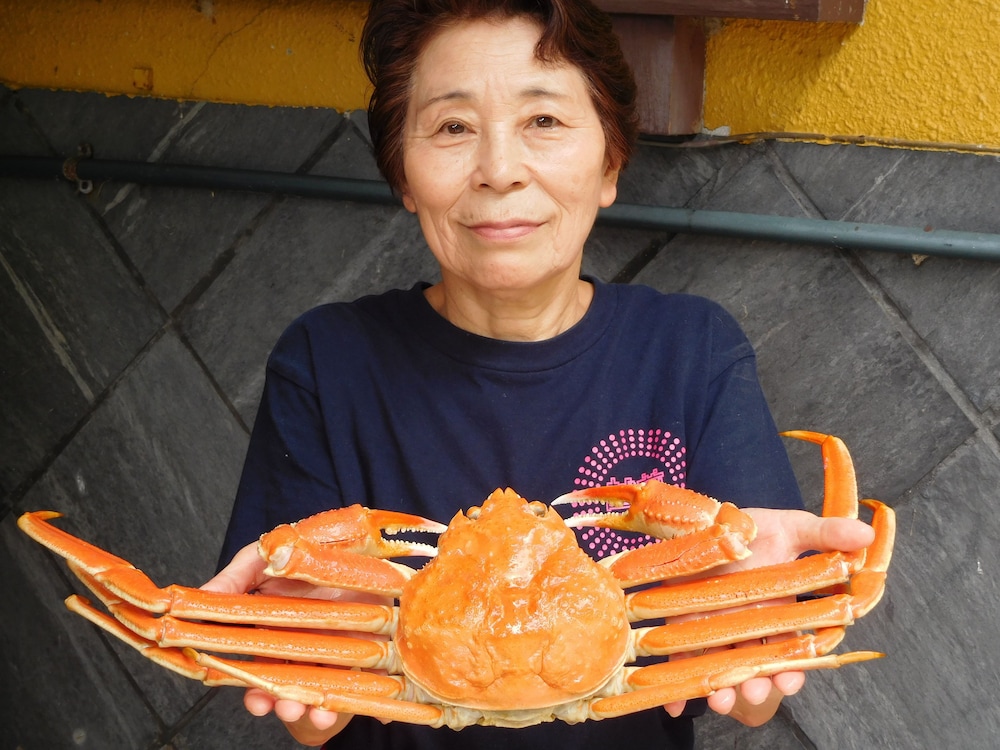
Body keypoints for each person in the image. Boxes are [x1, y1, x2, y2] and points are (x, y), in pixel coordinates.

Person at [203, 0, 877, 748]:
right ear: (402, 172)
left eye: (544, 122)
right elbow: (300, 682)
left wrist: (751, 647)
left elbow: (753, 678)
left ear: (612, 161)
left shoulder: (691, 351)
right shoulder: (327, 362)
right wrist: (298, 668)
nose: (498, 171)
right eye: (453, 127)